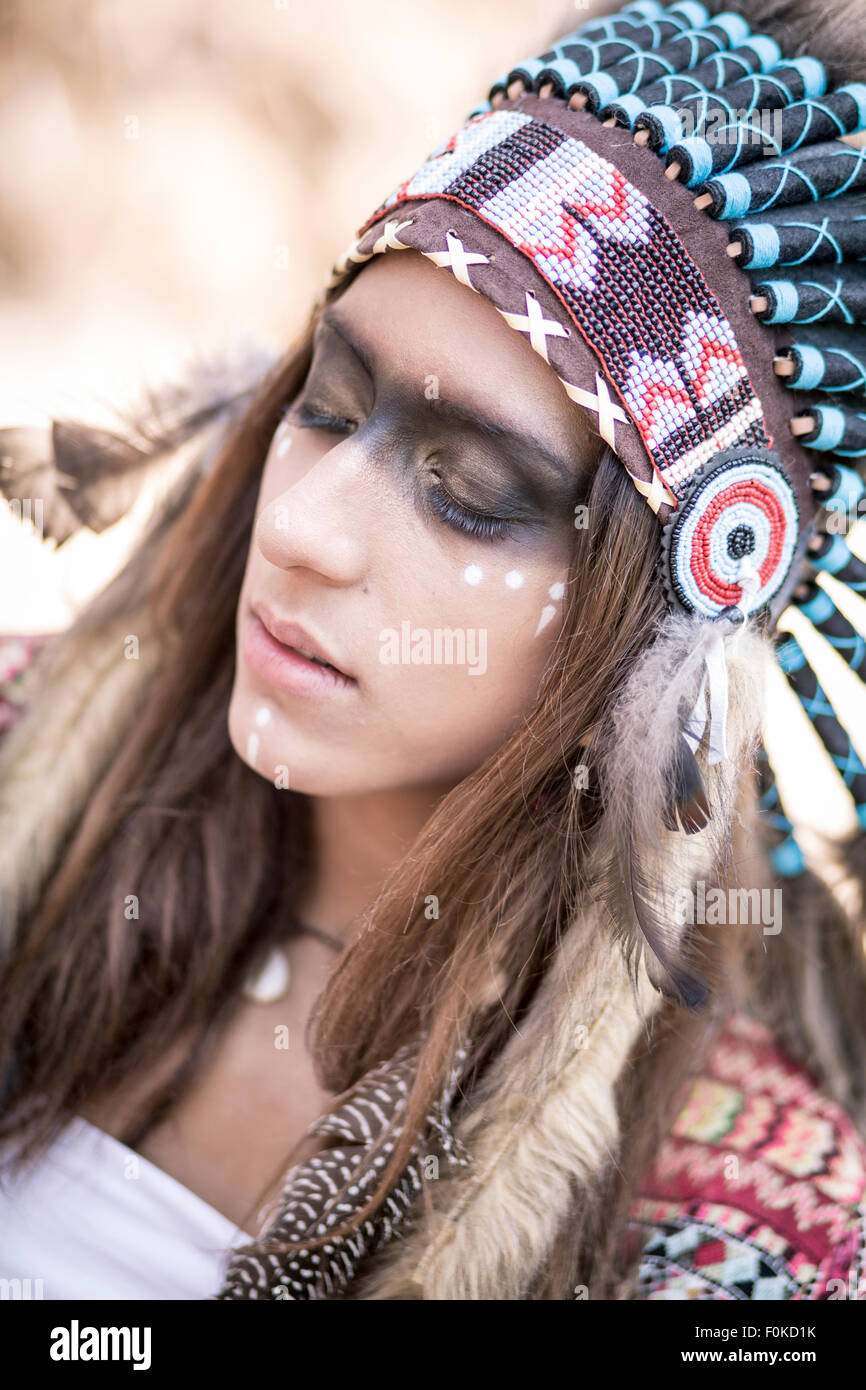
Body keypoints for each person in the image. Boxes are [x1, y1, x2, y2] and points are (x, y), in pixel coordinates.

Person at [1, 0, 866, 1301]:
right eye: (325, 405)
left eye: (464, 489)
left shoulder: (758, 1252)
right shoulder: (21, 755)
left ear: (663, 626)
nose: (299, 528)